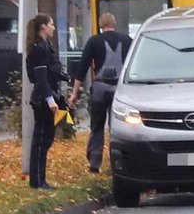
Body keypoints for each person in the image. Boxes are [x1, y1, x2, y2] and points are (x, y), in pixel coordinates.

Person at [71, 12, 133, 174]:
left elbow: (82, 68)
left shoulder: (94, 41)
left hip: (99, 89)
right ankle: (118, 162)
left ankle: (94, 163)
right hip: (120, 92)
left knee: (97, 126)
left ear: (100, 25)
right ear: (115, 23)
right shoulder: (127, 41)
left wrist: (74, 93)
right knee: (117, 127)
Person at [25, 14, 69, 190]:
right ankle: (37, 181)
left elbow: (51, 70)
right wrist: (51, 101)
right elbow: (40, 78)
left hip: (50, 96)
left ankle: (40, 179)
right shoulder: (39, 49)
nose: (53, 27)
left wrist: (64, 76)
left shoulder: (46, 46)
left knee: (47, 139)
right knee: (41, 140)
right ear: (43, 26)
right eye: (51, 24)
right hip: (44, 100)